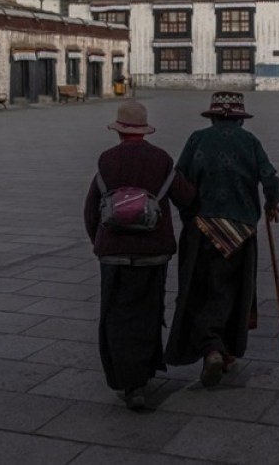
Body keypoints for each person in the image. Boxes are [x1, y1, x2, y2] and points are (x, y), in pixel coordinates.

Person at [84, 100, 194, 411]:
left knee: (115, 316)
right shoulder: (160, 159)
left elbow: (91, 209)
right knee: (147, 314)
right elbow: (185, 196)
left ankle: (125, 380)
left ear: (119, 131)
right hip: (152, 255)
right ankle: (142, 379)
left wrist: (101, 243)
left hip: (113, 256)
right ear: (144, 131)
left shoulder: (107, 160)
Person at [165, 91, 279, 387]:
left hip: (202, 229)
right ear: (240, 120)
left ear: (213, 117)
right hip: (241, 231)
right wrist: (271, 203)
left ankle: (211, 348)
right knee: (235, 291)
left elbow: (179, 180)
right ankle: (224, 349)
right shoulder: (250, 142)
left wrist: (188, 211)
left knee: (200, 291)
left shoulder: (197, 139)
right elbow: (270, 177)